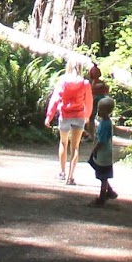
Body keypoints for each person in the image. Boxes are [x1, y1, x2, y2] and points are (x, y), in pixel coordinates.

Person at [44, 56, 93, 184]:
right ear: (81, 68)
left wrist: (49, 116)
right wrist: (87, 115)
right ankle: (71, 177)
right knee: (75, 146)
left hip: (65, 115)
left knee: (63, 143)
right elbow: (89, 101)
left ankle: (62, 173)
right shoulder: (85, 83)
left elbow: (55, 99)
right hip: (79, 116)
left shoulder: (62, 81)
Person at [87, 94, 118, 206]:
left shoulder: (105, 124)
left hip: (103, 152)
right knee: (96, 166)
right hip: (102, 152)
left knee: (103, 174)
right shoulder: (103, 122)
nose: (98, 111)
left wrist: (95, 149)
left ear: (107, 111)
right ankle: (109, 191)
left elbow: (102, 140)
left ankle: (102, 197)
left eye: (100, 110)